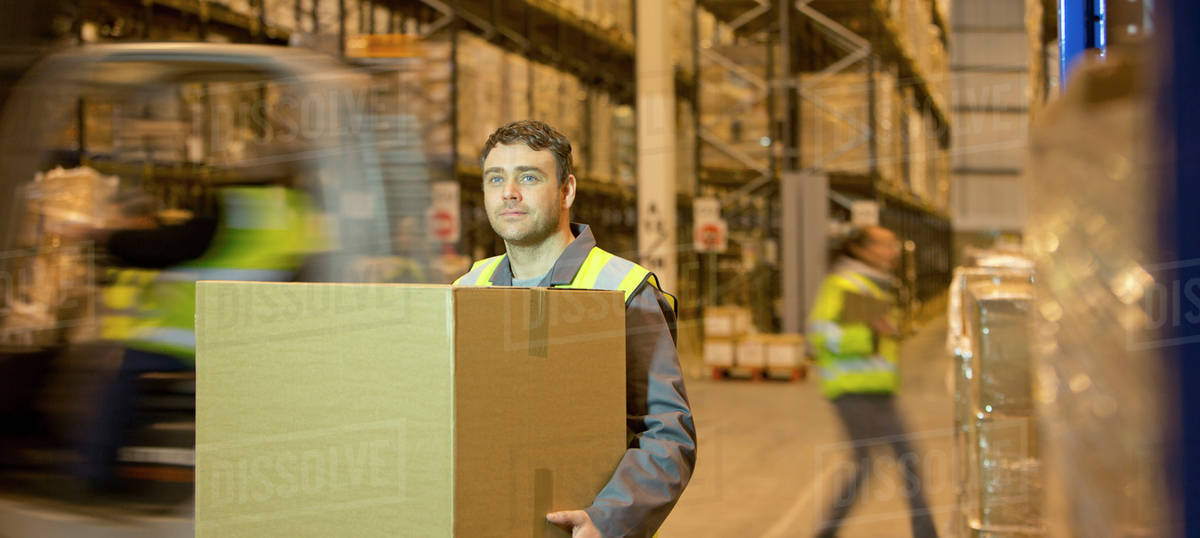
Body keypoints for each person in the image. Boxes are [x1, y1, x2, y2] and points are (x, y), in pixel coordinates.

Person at [453, 120, 696, 537]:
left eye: (528, 177)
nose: (509, 192)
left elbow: (667, 431)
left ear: (566, 191)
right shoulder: (468, 289)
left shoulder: (622, 289)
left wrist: (609, 519)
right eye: (495, 179)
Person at [808, 225, 938, 537]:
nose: (892, 252)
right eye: (884, 245)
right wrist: (868, 335)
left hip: (878, 390)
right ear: (861, 249)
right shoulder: (844, 284)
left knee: (905, 461)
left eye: (893, 245)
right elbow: (820, 334)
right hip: (851, 391)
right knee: (867, 465)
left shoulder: (873, 285)